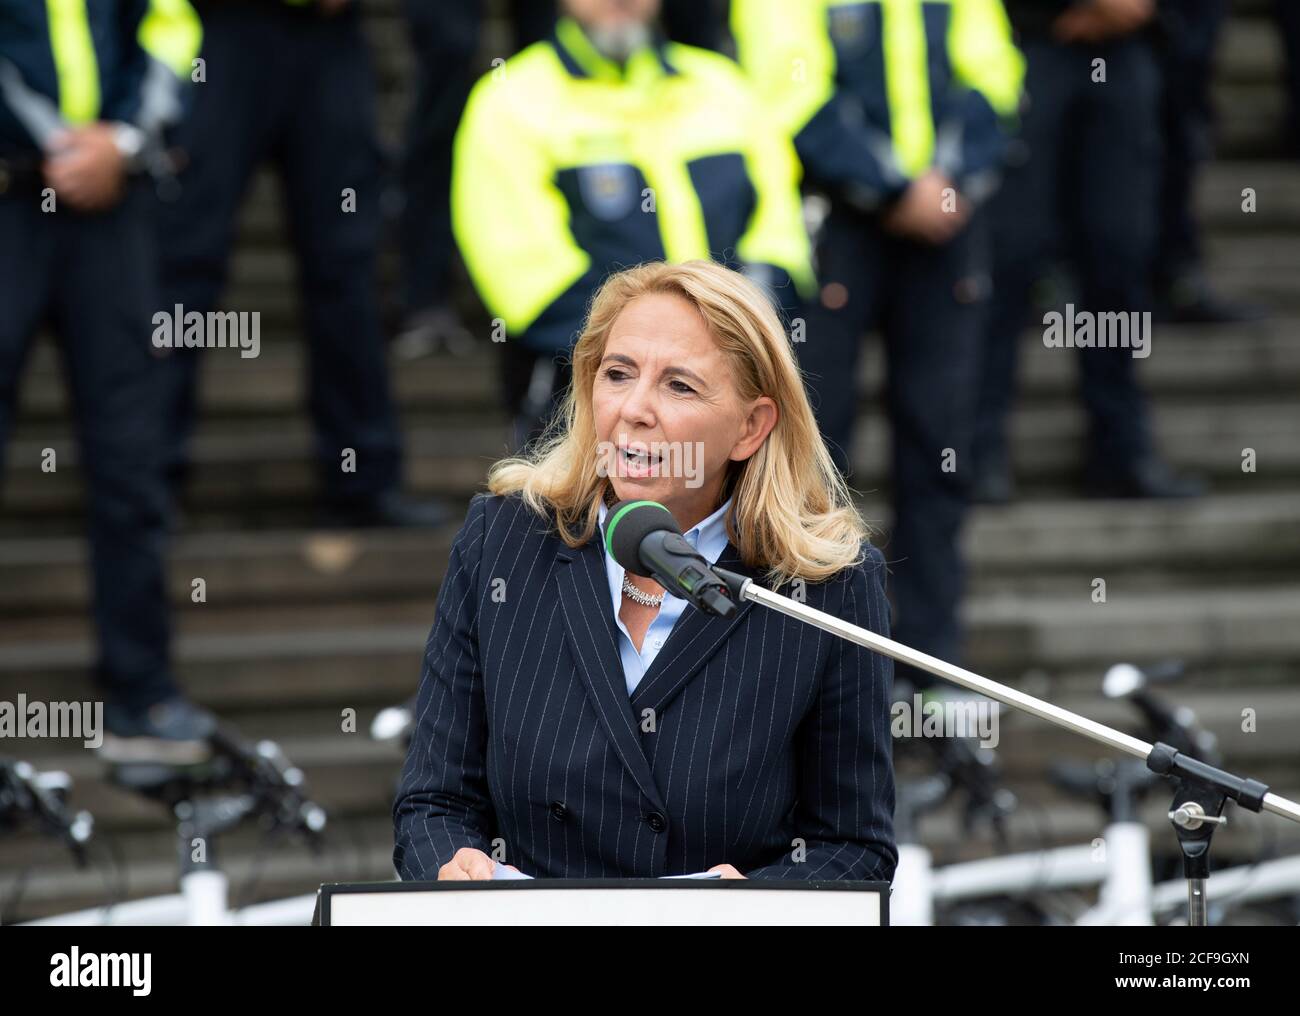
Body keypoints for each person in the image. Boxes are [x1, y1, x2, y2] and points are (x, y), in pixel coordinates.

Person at [393, 260, 897, 881]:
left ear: (751, 427)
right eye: (618, 373)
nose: (634, 408)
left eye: (679, 385)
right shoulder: (503, 539)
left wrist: (759, 907)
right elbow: (433, 803)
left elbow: (853, 846)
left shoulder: (826, 587)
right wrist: (451, 870)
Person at [731, 0, 1023, 679]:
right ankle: (815, 668)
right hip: (834, 229)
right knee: (813, 450)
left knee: (941, 445)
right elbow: (788, 91)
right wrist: (895, 187)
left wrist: (943, 183)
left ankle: (934, 668)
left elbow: (996, 76)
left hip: (946, 229)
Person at [451, 0, 814, 452]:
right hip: (581, 398)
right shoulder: (511, 99)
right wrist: (671, 360)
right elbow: (527, 278)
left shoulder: (723, 86)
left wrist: (735, 343)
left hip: (736, 389)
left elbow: (779, 234)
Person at [0, 0, 215, 760]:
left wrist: (121, 140)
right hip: (13, 192)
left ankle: (142, 691)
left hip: (109, 209)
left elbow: (170, 27)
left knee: (130, 453)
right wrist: (62, 143)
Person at [155, 0, 444, 527]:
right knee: (185, 261)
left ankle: (364, 476)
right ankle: (148, 478)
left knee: (347, 264)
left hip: (331, 33)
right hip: (223, 30)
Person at [974, 0, 1204, 502]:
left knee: (1118, 253)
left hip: (1127, 51)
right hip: (1024, 42)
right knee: (1010, 253)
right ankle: (980, 450)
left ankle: (1120, 450)